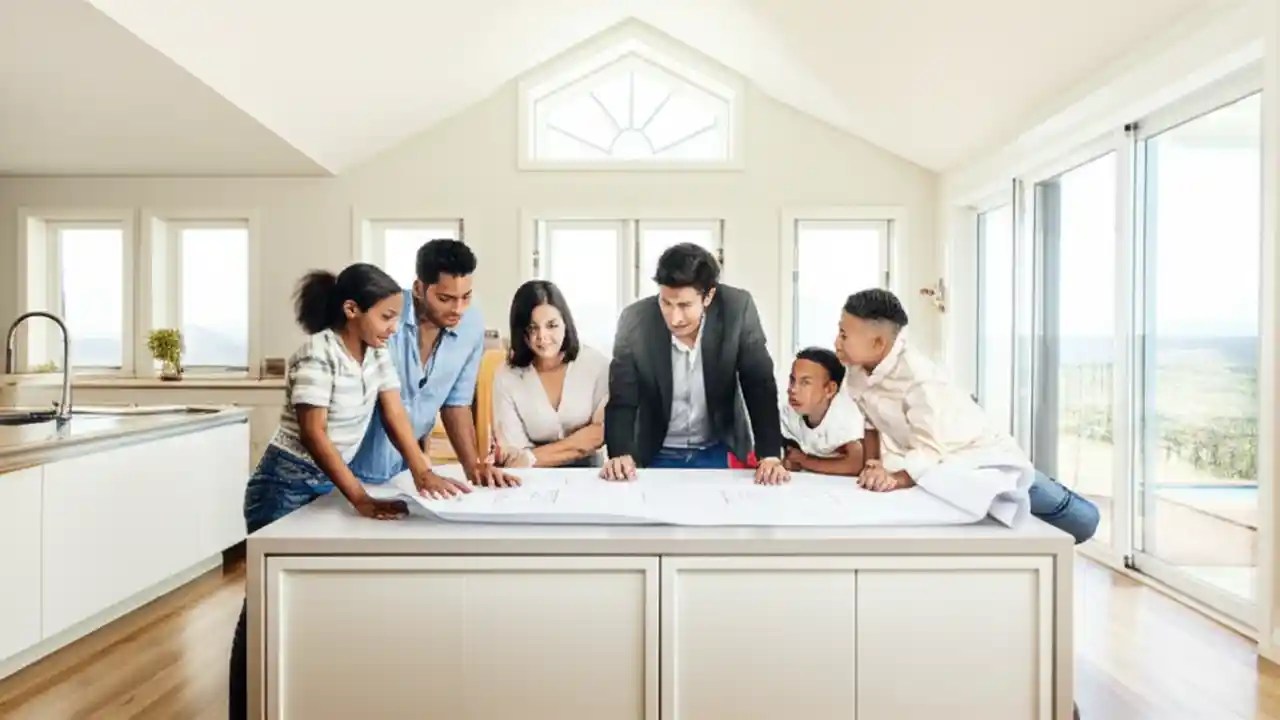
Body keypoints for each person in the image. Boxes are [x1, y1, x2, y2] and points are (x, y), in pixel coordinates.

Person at [228, 263, 472, 719]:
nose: (393, 328)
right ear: (351, 310)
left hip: (324, 485)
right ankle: (246, 709)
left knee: (313, 601)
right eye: (385, 317)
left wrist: (424, 471)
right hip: (283, 486)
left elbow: (394, 413)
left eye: (398, 317)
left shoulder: (376, 355)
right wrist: (360, 498)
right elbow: (316, 436)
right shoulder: (316, 353)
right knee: (263, 605)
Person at [834, 288, 1100, 544]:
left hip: (980, 457)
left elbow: (929, 447)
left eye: (844, 335)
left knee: (1080, 521)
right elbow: (870, 421)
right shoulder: (857, 371)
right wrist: (871, 464)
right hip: (940, 463)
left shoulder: (920, 378)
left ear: (878, 342)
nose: (837, 342)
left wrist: (895, 479)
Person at [602, 243, 788, 485]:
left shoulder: (737, 309)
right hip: (653, 451)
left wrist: (771, 453)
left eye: (685, 305)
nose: (674, 317)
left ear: (709, 296)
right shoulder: (635, 319)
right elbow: (622, 396)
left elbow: (758, 382)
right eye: (666, 303)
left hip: (717, 448)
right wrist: (619, 453)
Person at [347, 239, 520, 489]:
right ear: (419, 288)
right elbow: (387, 406)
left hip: (401, 472)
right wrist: (424, 471)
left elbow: (456, 403)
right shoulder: (384, 319)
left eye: (466, 296)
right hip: (347, 467)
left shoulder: (471, 324)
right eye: (445, 298)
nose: (458, 309)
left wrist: (474, 468)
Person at [493, 280, 609, 468]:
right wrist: (576, 442)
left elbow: (599, 433)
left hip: (588, 473)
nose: (543, 337)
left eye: (552, 325)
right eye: (532, 328)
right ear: (521, 332)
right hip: (531, 478)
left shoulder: (596, 365)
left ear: (565, 322)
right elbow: (515, 451)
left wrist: (533, 457)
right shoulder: (506, 377)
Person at [781, 347, 868, 476]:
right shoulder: (789, 412)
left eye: (805, 383)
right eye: (792, 380)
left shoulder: (844, 417)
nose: (793, 390)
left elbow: (856, 464)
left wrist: (804, 461)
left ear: (830, 390)